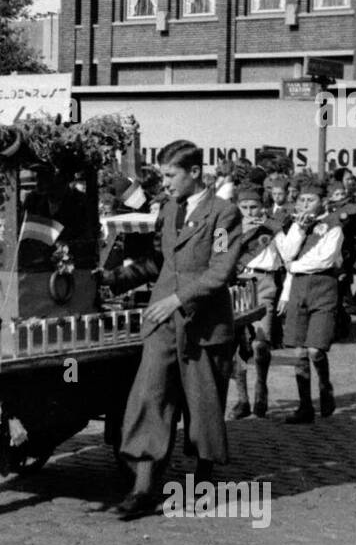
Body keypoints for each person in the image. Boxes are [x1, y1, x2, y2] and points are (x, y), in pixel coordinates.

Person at [110, 140, 243, 520]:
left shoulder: (224, 213)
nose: (164, 183)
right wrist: (116, 280)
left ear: (195, 172)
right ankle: (142, 489)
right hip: (162, 321)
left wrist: (180, 299)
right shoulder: (169, 210)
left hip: (203, 323)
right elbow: (158, 260)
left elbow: (222, 270)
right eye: (163, 175)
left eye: (171, 175)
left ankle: (202, 480)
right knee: (151, 394)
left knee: (202, 402)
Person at [275, 181, 344, 423]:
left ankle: (325, 386)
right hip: (297, 288)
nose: (305, 205)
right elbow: (287, 252)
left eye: (310, 200)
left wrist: (293, 266)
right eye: (301, 200)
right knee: (299, 352)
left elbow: (324, 259)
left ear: (323, 201)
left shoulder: (334, 225)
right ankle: (305, 406)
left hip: (323, 288)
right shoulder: (296, 224)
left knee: (316, 350)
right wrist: (299, 229)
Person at [228, 186, 281, 419]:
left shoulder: (273, 228)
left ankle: (261, 388)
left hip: (263, 282)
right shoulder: (228, 227)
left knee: (261, 342)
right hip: (236, 284)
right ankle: (242, 398)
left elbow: (287, 255)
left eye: (254, 207)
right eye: (244, 207)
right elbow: (216, 252)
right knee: (235, 346)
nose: (249, 211)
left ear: (263, 207)